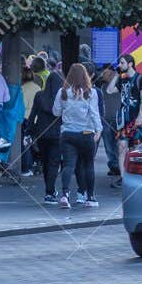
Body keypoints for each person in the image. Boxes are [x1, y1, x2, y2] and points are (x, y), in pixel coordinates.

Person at [56, 63, 102, 209]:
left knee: (68, 165)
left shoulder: (62, 92)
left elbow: (56, 112)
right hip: (86, 134)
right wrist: (98, 130)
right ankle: (90, 197)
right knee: (89, 165)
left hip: (68, 133)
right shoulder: (91, 92)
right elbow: (94, 113)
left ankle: (65, 194)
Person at [26, 65, 62, 203]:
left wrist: (29, 131)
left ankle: (49, 189)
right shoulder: (62, 98)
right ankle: (50, 192)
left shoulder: (39, 95)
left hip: (41, 133)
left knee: (45, 162)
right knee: (53, 163)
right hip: (57, 134)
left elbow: (32, 115)